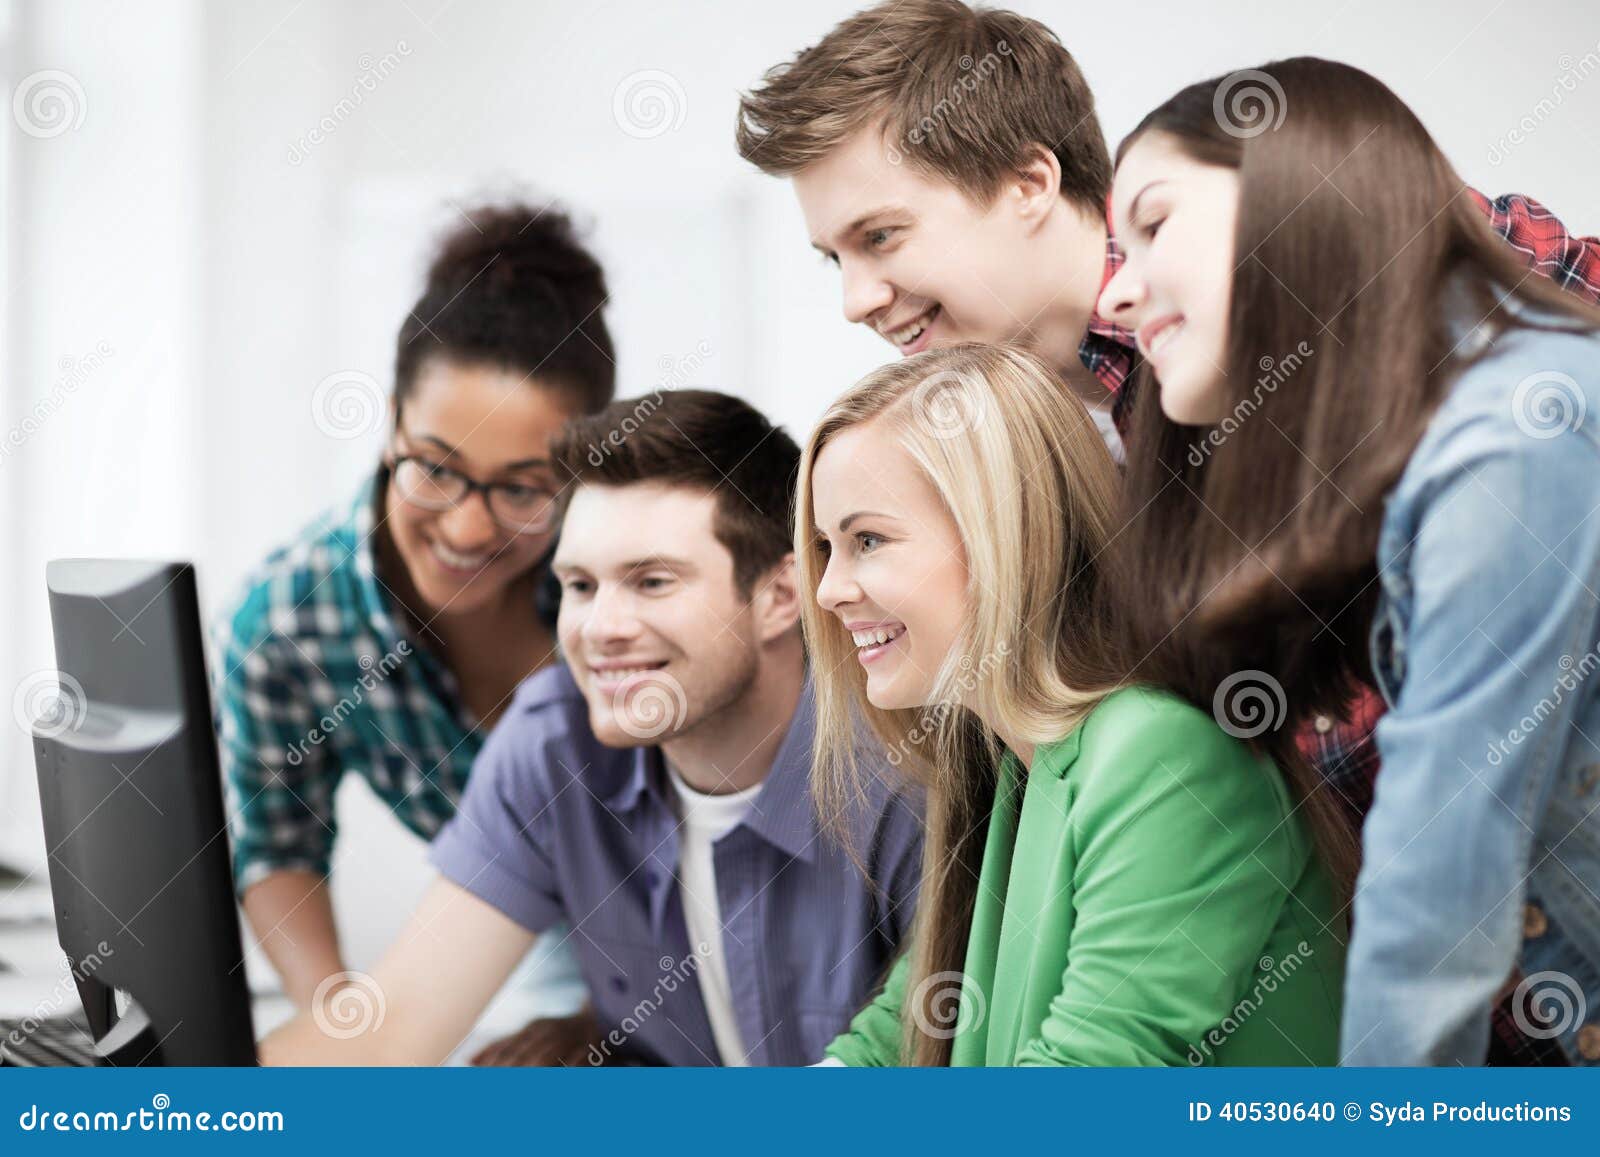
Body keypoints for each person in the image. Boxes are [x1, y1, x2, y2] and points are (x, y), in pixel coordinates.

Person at [737, 0, 1600, 1062]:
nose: (857, 299)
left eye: (881, 236)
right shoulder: (1017, 461)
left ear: (1028, 181)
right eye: (833, 258)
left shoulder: (1293, 283)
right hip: (1461, 1008)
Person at [1097, 56, 1600, 1066]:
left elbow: (1434, 893)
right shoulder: (1438, 455)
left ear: (1304, 194)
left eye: (1154, 225)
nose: (1114, 294)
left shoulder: (1516, 428)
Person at [257, 389, 923, 1067]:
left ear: (782, 596)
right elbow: (392, 1022)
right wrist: (175, 1109)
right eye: (580, 585)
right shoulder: (554, 741)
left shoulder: (906, 777)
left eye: (653, 581)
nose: (600, 629)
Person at [800, 342, 1347, 1066]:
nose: (830, 589)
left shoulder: (1161, 754)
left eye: (868, 539)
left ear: (1005, 534)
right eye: (825, 546)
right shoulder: (1009, 766)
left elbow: (1088, 1076)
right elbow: (893, 1037)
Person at [213, 202, 606, 1060]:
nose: (467, 529)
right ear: (391, 421)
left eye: (523, 487)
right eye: (436, 467)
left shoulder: (633, 589)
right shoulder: (290, 620)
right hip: (508, 941)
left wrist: (610, 1019)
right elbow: (276, 837)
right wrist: (341, 1012)